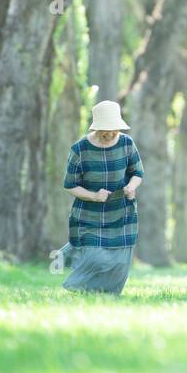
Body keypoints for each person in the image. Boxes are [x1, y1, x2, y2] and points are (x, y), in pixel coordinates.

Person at [59, 100, 144, 294]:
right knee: (97, 258)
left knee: (120, 262)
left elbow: (137, 172)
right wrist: (94, 196)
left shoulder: (127, 143)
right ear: (96, 128)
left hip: (121, 210)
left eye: (114, 130)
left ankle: (107, 296)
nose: (111, 134)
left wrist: (131, 186)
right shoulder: (79, 149)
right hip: (89, 213)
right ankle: (83, 288)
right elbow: (69, 185)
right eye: (106, 130)